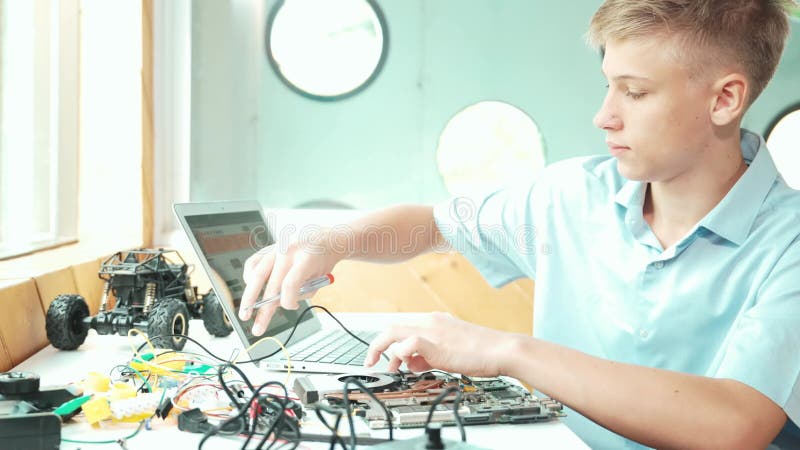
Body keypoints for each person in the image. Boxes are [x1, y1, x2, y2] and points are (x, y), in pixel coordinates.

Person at [240, 1, 800, 447]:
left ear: (725, 99)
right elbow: (431, 225)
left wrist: (510, 351)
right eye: (608, 85)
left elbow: (734, 426)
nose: (604, 115)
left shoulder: (789, 241)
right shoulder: (569, 196)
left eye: (634, 91)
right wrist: (334, 238)